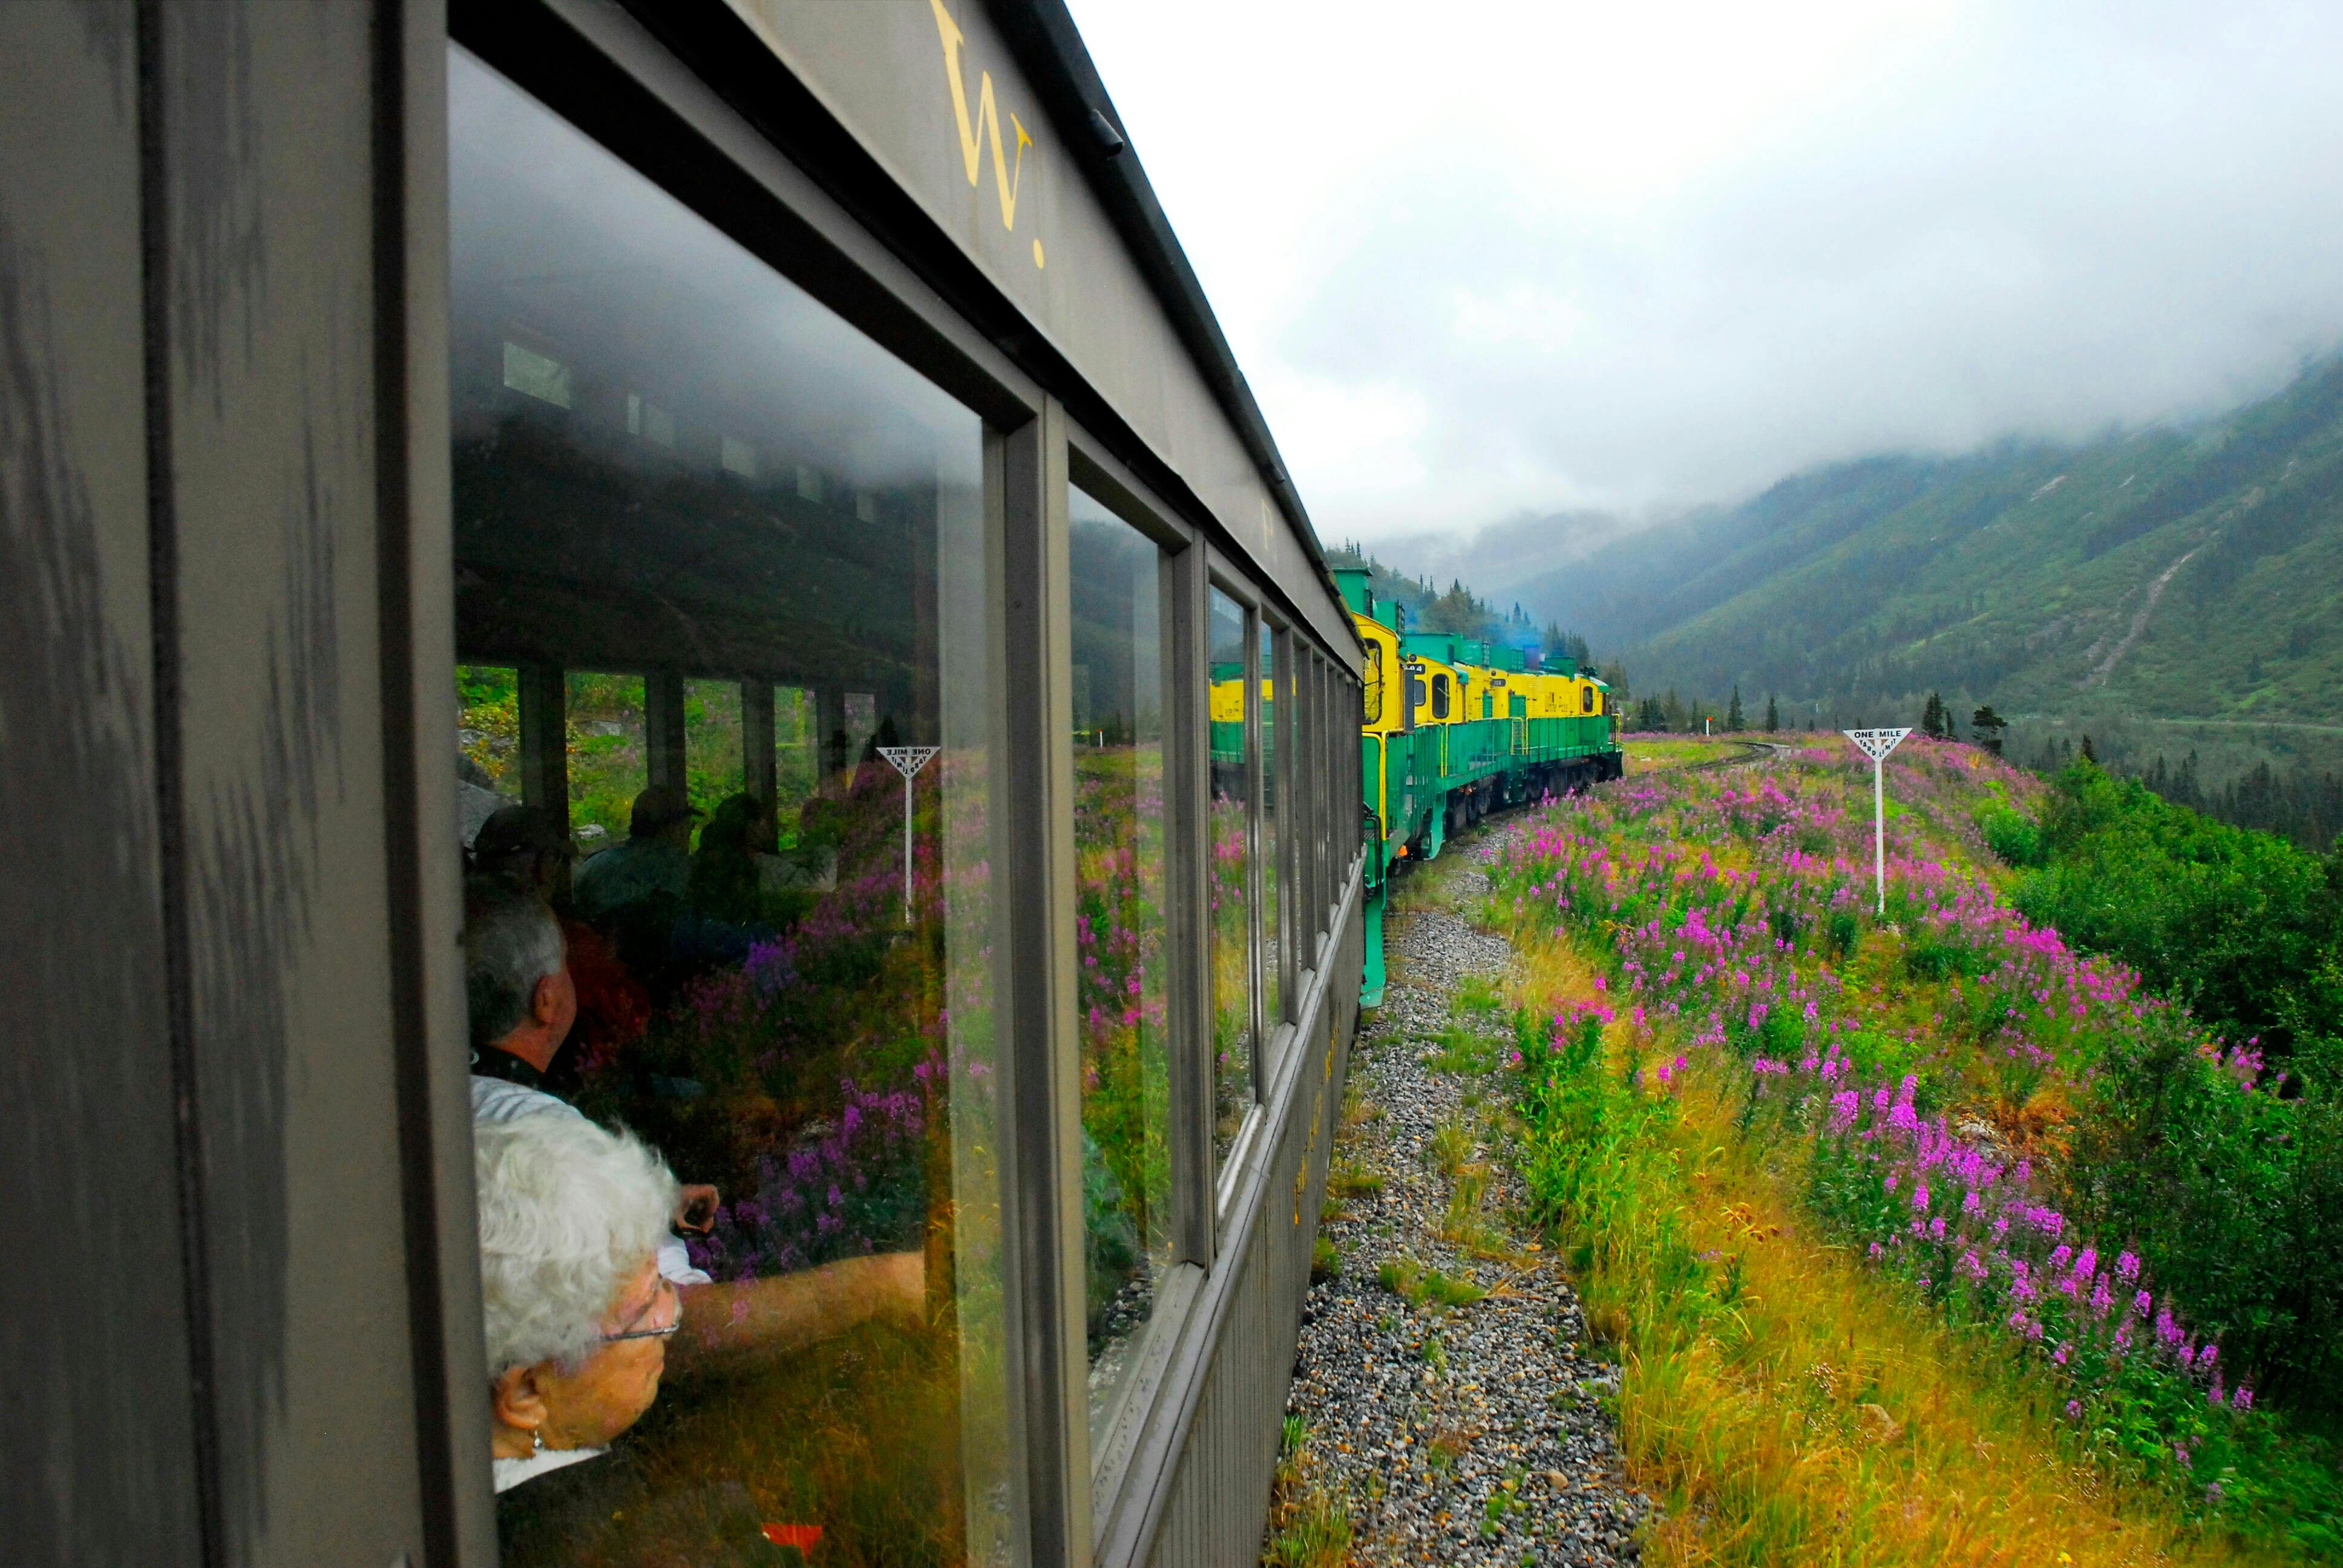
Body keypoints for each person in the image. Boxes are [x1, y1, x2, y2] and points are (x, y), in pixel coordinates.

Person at [477, 1111, 929, 1564]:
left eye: (663, 1281)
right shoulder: (621, 1548)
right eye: (646, 1306)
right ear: (526, 1393)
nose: (674, 1314)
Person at [464, 877, 713, 1283]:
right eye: (565, 962)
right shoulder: (549, 1135)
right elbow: (662, 1304)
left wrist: (647, 1202)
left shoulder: (414, 1094)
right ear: (546, 1000)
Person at [470, 807, 647, 1074]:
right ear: (543, 866)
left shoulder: (448, 931)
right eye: (556, 860)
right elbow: (629, 1018)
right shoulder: (566, 941)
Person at [572, 785, 699, 923]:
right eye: (689, 825)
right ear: (673, 829)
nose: (689, 832)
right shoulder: (677, 869)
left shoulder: (593, 865)